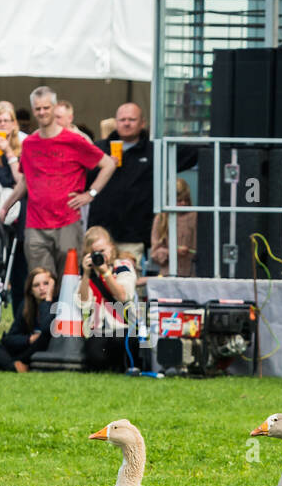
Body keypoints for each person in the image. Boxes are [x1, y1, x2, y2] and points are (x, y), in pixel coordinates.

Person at [0, 86, 117, 283]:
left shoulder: (74, 140)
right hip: (35, 223)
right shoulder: (29, 143)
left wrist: (91, 194)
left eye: (46, 107)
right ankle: (44, 315)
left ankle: (65, 315)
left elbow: (108, 164)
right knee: (40, 281)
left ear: (55, 107)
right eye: (38, 109)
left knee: (67, 282)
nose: (42, 112)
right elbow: (26, 181)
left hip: (67, 222)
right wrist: (5, 207)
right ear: (33, 110)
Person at [89, 102, 196, 265]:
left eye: (132, 119)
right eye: (122, 119)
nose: (126, 123)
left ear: (142, 123)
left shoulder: (154, 151)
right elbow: (78, 176)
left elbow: (192, 153)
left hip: (134, 236)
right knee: (98, 281)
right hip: (100, 233)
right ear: (115, 122)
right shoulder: (99, 149)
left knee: (128, 280)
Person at [76, 225, 139, 372]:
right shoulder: (88, 274)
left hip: (123, 327)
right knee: (96, 355)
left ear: (111, 247)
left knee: (119, 342)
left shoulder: (123, 266)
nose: (100, 256)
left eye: (102, 251)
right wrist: (85, 275)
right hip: (98, 329)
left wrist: (105, 273)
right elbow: (83, 304)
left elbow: (123, 296)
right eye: (94, 253)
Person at [0, 266, 55, 372]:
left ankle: (10, 364)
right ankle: (14, 365)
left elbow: (46, 328)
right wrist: (29, 339)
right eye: (36, 285)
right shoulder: (26, 306)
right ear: (31, 290)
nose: (42, 288)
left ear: (53, 286)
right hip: (26, 349)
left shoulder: (58, 305)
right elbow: (9, 338)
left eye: (46, 284)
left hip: (44, 350)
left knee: (43, 338)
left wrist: (48, 300)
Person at [150, 177, 197, 276]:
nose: (183, 203)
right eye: (179, 200)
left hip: (192, 274)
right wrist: (173, 252)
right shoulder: (161, 218)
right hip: (169, 274)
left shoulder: (195, 216)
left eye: (186, 200)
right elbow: (155, 253)